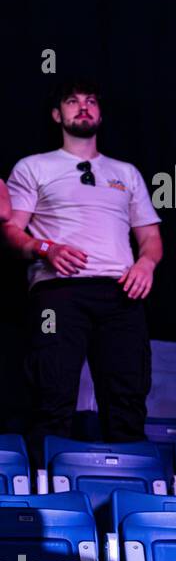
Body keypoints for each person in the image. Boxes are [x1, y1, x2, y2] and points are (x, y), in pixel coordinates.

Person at [2, 79, 163, 458]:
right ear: (58, 114)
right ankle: (44, 495)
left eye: (91, 101)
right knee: (51, 393)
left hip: (120, 292)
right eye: (72, 101)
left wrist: (146, 263)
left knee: (127, 400)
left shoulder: (126, 172)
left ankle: (130, 495)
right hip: (58, 292)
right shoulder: (34, 166)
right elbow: (9, 230)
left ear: (100, 113)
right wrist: (45, 247)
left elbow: (151, 237)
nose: (83, 107)